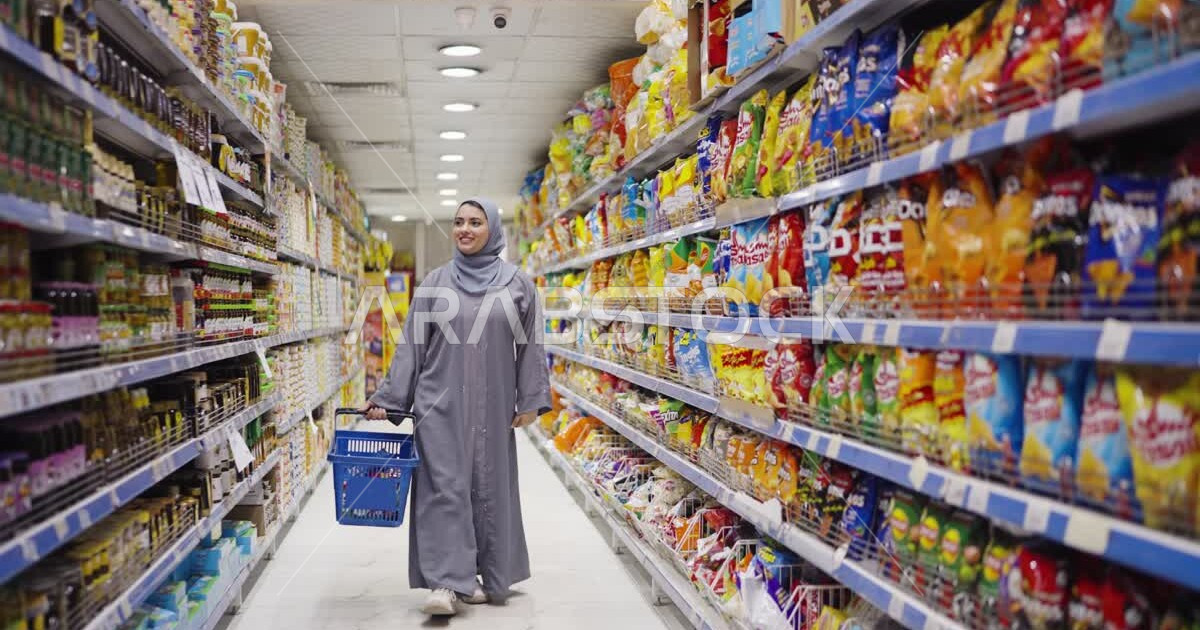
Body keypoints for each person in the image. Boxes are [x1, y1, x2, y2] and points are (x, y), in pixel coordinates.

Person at [360, 198, 550, 616]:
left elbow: (531, 348)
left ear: (493, 229)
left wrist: (532, 400)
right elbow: (412, 346)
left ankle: (478, 573)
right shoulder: (433, 284)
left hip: (494, 404)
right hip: (438, 406)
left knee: (488, 487)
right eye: (459, 222)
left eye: (476, 222)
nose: (465, 229)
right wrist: (389, 399)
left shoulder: (518, 286)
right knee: (443, 487)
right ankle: (446, 582)